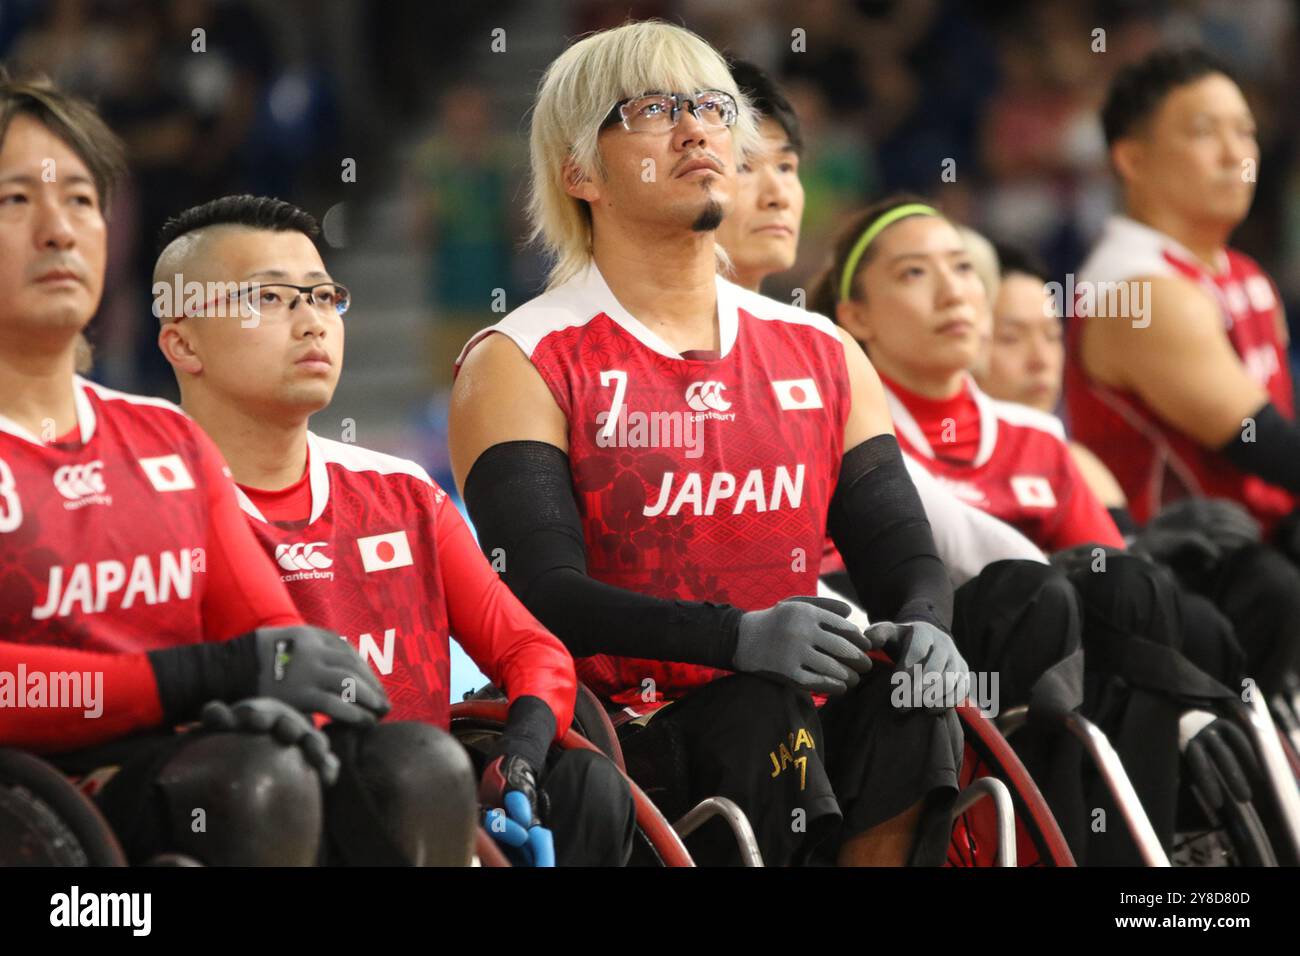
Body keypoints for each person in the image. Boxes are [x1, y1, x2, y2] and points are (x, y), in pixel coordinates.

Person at [450, 21, 966, 867]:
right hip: (628, 736)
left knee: (911, 693)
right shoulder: (519, 359)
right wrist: (738, 639)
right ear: (581, 172)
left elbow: (899, 550)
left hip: (794, 718)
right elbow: (542, 592)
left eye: (712, 107)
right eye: (653, 109)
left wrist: (922, 623)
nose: (696, 129)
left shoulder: (822, 350)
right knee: (761, 708)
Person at [152, 193, 634, 867]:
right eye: (269, 298)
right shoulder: (146, 508)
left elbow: (534, 652)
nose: (312, 321)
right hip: (260, 821)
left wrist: (520, 755)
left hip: (426, 817)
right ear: (181, 340)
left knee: (587, 784)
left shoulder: (403, 491)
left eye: (323, 296)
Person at [810, 196, 1272, 865]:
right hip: (914, 663)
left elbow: (1123, 592)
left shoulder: (1035, 435)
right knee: (1032, 592)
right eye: (915, 274)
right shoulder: (850, 418)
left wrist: (1185, 698)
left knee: (1154, 591)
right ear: (855, 318)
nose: (952, 292)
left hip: (1050, 667)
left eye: (964, 268)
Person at [0, 73, 390, 866]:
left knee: (408, 767)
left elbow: (273, 634)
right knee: (248, 787)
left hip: (162, 779)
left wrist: (297, 709)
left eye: (80, 200)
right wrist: (195, 680)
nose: (58, 230)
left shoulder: (166, 439)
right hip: (36, 814)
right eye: (15, 201)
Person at [1066, 48, 1297, 534]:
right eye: (1205, 132)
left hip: (1264, 546)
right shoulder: (1138, 291)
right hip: (1187, 570)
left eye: (1245, 131)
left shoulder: (1244, 271)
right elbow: (1264, 444)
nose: (1235, 154)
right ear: (1132, 159)